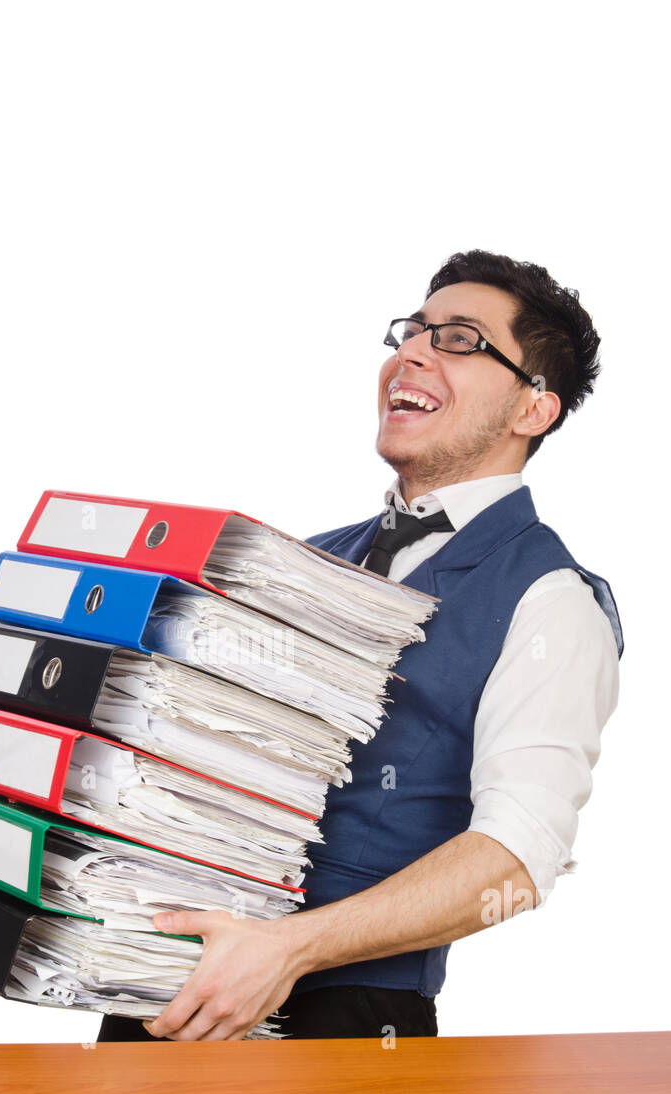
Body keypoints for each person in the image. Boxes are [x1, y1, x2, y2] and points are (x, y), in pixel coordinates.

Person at [98, 248, 623, 1043]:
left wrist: (287, 950)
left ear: (531, 411)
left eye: (459, 340)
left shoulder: (550, 602)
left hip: (347, 1023)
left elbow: (518, 861)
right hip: (166, 987)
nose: (410, 351)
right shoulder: (297, 561)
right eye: (412, 331)